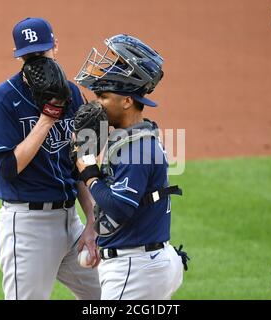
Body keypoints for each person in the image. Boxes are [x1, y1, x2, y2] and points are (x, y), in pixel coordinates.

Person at [0, 17, 101, 300]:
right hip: (28, 228)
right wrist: (47, 118)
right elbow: (9, 169)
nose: (37, 60)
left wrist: (92, 223)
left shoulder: (72, 93)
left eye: (42, 51)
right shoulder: (2, 100)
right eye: (30, 55)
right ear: (20, 56)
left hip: (71, 222)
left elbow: (81, 165)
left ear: (55, 46)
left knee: (109, 295)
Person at [73, 34, 189, 300]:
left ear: (126, 100)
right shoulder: (137, 138)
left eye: (103, 96)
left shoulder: (137, 149)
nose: (96, 103)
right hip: (145, 260)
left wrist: (88, 172)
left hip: (134, 269)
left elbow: (120, 207)